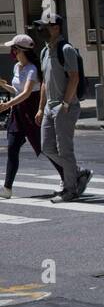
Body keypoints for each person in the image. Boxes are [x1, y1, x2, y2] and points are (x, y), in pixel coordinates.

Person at [33, 13, 91, 202]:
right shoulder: (44, 51)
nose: (41, 30)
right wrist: (41, 108)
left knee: (65, 150)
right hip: (50, 108)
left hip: (65, 107)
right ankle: (77, 172)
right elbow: (44, 83)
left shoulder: (66, 49)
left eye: (45, 27)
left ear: (56, 28)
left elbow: (74, 77)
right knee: (47, 147)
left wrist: (65, 104)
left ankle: (70, 189)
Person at [0, 34, 59, 199]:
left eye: (14, 49)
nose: (12, 52)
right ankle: (7, 188)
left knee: (45, 147)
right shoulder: (17, 67)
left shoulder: (32, 69)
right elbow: (17, 90)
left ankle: (69, 176)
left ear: (20, 50)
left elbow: (26, 93)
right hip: (17, 113)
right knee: (12, 148)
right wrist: (4, 86)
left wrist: (6, 105)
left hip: (31, 111)